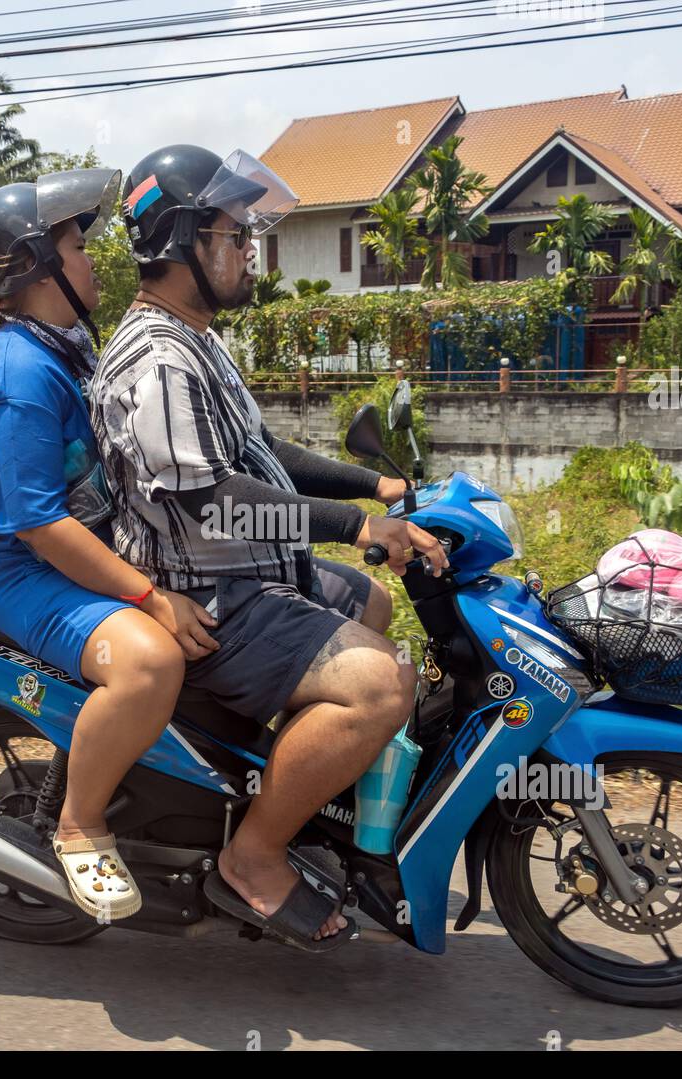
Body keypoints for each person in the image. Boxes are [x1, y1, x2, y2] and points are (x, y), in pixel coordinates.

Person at [88, 146, 448, 951]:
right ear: (183, 243)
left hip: (252, 571)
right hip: (211, 594)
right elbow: (213, 505)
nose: (249, 249)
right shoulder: (156, 360)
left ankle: (295, 782)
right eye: (233, 233)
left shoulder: (197, 342)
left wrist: (373, 487)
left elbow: (264, 454)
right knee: (382, 684)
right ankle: (251, 854)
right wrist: (356, 529)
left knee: (379, 601)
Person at [0, 168, 221, 922]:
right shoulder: (17, 372)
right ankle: (80, 823)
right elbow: (39, 524)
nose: (92, 258)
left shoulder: (64, 343)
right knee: (149, 662)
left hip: (82, 551)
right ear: (39, 266)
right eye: (77, 245)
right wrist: (148, 595)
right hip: (25, 570)